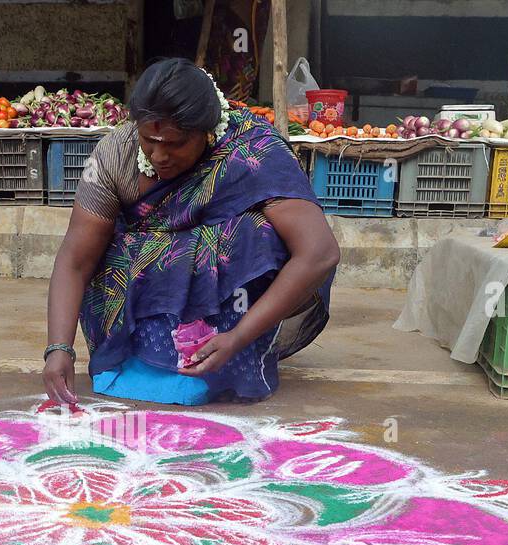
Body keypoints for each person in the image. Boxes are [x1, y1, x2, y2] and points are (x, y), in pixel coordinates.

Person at [42, 57, 340, 406]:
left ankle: (224, 361)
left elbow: (319, 252)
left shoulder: (251, 148)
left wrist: (238, 337)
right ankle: (144, 359)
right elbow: (76, 259)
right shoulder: (114, 156)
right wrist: (58, 348)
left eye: (175, 143)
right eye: (149, 141)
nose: (159, 156)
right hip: (139, 287)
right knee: (121, 245)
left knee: (257, 233)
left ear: (208, 131)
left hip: (225, 315)